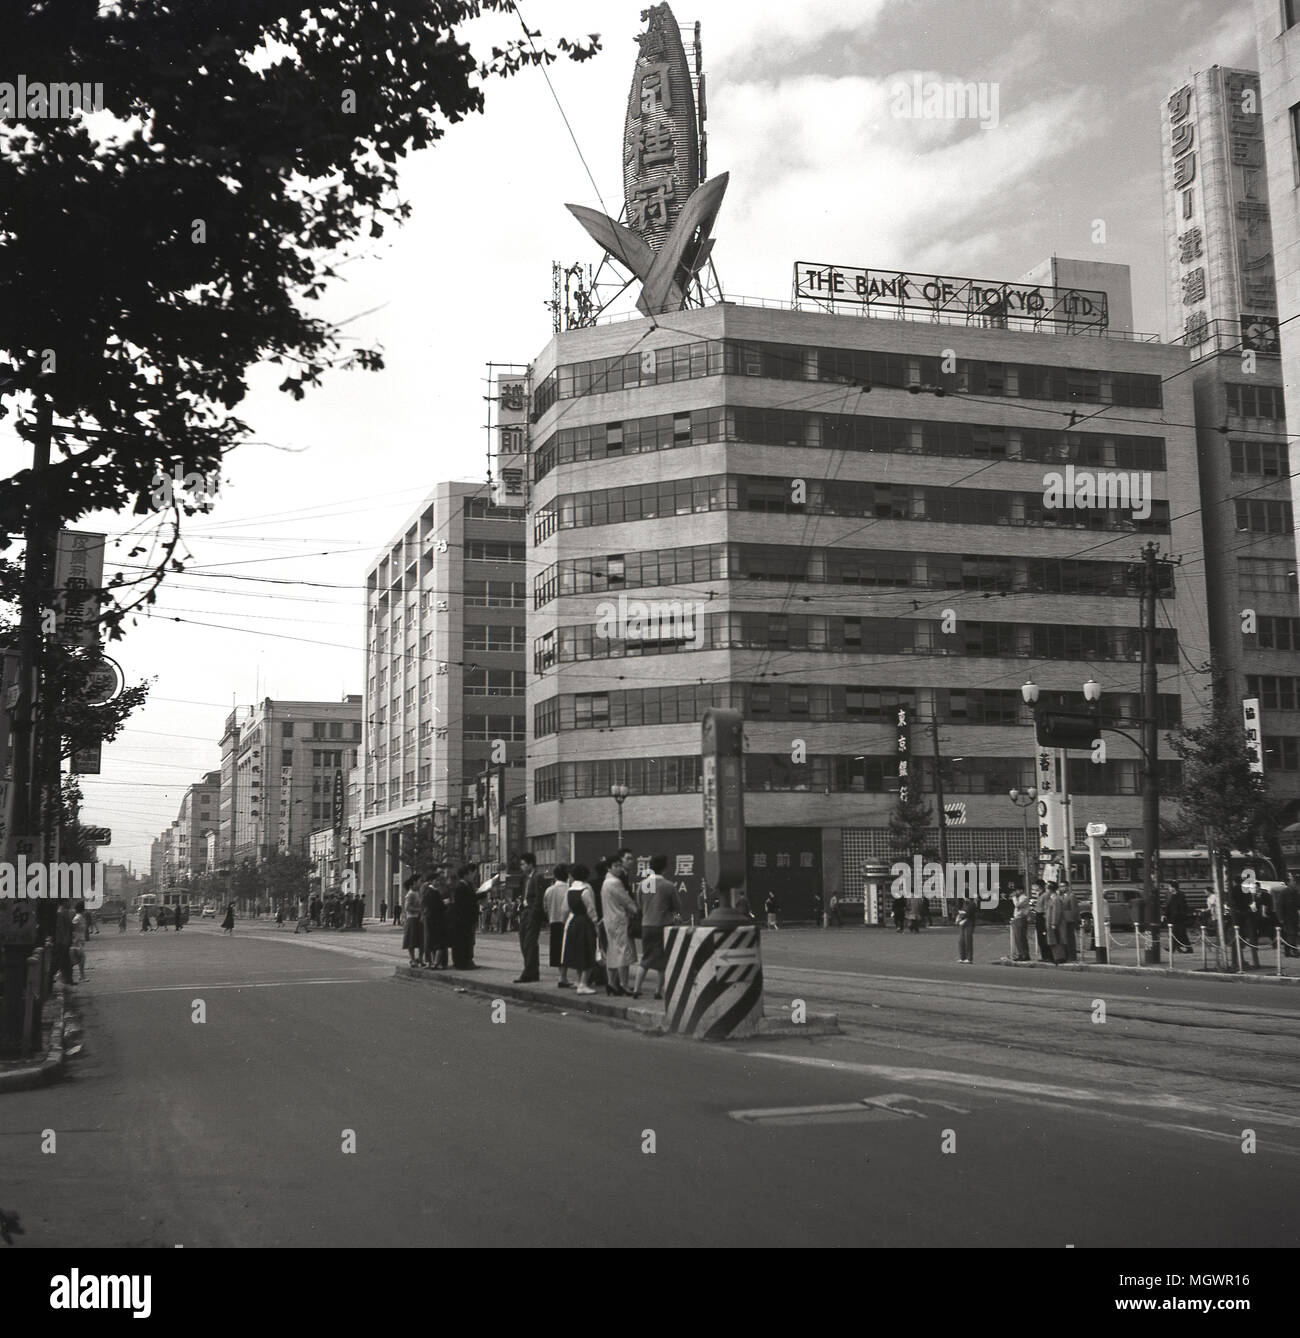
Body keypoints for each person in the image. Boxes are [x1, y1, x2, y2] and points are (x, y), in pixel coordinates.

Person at [630, 854, 680, 999]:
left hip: (646, 925)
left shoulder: (642, 884)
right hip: (663, 925)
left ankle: (636, 989)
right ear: (665, 868)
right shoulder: (668, 886)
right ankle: (658, 990)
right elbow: (677, 906)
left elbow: (639, 904)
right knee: (663, 959)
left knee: (646, 958)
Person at [600, 859, 638, 996]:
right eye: (616, 866)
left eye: (619, 865)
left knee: (612, 951)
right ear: (609, 868)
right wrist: (635, 910)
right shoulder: (615, 882)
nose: (619, 868)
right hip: (619, 920)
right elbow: (626, 901)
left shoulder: (606, 882)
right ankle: (624, 985)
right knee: (623, 952)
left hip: (609, 920)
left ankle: (611, 983)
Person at [560, 864, 599, 995]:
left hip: (573, 922)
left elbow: (564, 909)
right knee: (588, 952)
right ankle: (583, 983)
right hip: (585, 923)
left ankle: (578, 980)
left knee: (577, 952)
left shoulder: (570, 890)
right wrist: (596, 925)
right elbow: (591, 910)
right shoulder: (586, 890)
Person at [514, 853, 544, 983]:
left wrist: (534, 913)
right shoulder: (526, 878)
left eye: (524, 864)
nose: (522, 867)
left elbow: (539, 898)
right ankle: (533, 971)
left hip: (532, 912)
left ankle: (529, 972)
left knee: (529, 943)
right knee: (524, 941)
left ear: (531, 864)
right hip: (525, 911)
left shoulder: (538, 877)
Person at [451, 864, 480, 969]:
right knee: (462, 942)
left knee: (468, 942)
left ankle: (466, 961)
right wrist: (480, 894)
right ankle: (462, 963)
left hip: (467, 920)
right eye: (473, 873)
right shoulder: (461, 887)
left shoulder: (467, 886)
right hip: (462, 920)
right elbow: (467, 902)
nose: (474, 876)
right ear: (466, 874)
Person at [1165, 880, 1193, 953]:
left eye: (1170, 887)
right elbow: (1169, 906)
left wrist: (1179, 914)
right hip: (1173, 918)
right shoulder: (1172, 895)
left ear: (1174, 887)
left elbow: (1182, 907)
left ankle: (1186, 948)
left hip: (1179, 918)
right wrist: (1165, 914)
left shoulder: (1180, 895)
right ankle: (1175, 948)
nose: (1169, 888)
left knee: (1181, 934)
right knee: (1176, 933)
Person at [1278, 873, 1300, 959]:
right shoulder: (1283, 893)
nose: (1294, 883)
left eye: (1294, 881)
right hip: (1286, 917)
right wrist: (1281, 918)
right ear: (1289, 883)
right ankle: (1293, 951)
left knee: (1292, 933)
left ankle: (1288, 951)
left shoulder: (1295, 893)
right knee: (1291, 933)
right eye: (1293, 881)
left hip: (1294, 916)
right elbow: (1279, 906)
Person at [401, 878, 422, 968]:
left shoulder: (417, 893)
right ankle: (413, 959)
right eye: (418, 881)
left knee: (420, 941)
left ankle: (420, 959)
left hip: (418, 919)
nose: (420, 883)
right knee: (411, 941)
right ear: (413, 883)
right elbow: (408, 908)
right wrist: (420, 910)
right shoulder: (410, 894)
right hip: (412, 919)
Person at [54, 903, 76, 985]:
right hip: (62, 941)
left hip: (65, 941)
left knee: (67, 961)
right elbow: (61, 928)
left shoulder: (65, 912)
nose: (70, 902)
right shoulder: (61, 913)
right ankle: (65, 978)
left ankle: (68, 979)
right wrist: (65, 939)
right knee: (63, 961)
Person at [1044, 885, 1067, 964]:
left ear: (1050, 890)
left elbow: (1056, 912)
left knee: (1057, 940)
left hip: (1055, 924)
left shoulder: (1056, 899)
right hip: (1050, 923)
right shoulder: (1051, 899)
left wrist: (1054, 923)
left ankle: (1059, 957)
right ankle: (1056, 957)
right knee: (1053, 941)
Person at [1011, 888, 1031, 961]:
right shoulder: (1019, 898)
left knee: (1021, 937)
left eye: (1017, 890)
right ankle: (1021, 954)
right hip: (1017, 918)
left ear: (1021, 890)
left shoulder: (1024, 898)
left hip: (1021, 918)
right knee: (1017, 938)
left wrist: (1013, 898)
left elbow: (1017, 905)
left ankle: (1024, 955)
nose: (1016, 892)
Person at [955, 896, 975, 964]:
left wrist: (961, 917)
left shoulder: (972, 903)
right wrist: (959, 916)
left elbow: (967, 913)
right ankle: (962, 957)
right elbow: (961, 912)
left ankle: (969, 958)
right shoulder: (965, 903)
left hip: (969, 923)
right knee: (961, 941)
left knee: (968, 941)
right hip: (963, 923)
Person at [71, 903, 88, 982]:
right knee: (82, 957)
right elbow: (72, 929)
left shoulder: (81, 918)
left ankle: (81, 975)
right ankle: (82, 975)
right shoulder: (77, 918)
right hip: (77, 941)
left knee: (78, 959)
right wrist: (75, 939)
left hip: (81, 940)